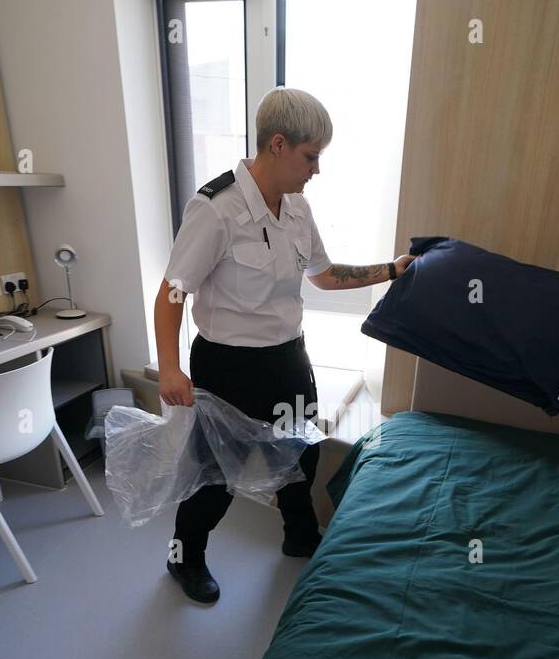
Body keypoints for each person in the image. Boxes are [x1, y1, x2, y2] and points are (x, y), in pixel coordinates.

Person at [154, 87, 416, 604]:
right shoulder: (216, 209)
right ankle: (185, 558)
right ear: (278, 144)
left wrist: (391, 270)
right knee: (214, 477)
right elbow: (172, 293)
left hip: (288, 359)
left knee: (300, 457)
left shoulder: (297, 208)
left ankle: (299, 536)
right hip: (227, 366)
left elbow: (323, 276)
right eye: (310, 156)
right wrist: (167, 367)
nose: (316, 169)